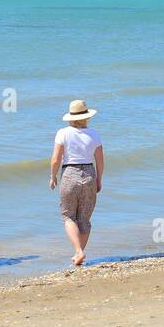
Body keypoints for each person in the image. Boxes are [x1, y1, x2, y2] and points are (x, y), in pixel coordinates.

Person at [49, 99, 103, 266]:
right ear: (87, 117)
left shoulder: (63, 133)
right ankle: (79, 253)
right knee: (84, 218)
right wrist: (99, 179)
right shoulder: (94, 134)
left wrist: (53, 176)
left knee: (68, 216)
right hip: (89, 173)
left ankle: (78, 252)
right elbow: (100, 161)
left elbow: (55, 159)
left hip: (69, 174)